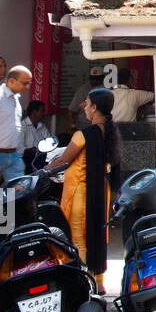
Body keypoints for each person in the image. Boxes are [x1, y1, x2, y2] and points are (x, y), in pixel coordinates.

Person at [44, 88, 122, 292]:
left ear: (94, 108)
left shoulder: (84, 135)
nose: (84, 107)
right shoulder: (111, 131)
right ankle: (98, 281)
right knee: (98, 235)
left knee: (79, 237)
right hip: (101, 192)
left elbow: (63, 159)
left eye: (86, 103)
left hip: (81, 192)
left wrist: (42, 172)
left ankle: (84, 280)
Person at [20, 100, 54, 173]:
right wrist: (30, 150)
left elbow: (50, 141)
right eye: (42, 111)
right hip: (26, 161)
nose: (44, 113)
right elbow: (19, 148)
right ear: (34, 112)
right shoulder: (22, 126)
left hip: (41, 158)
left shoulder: (42, 126)